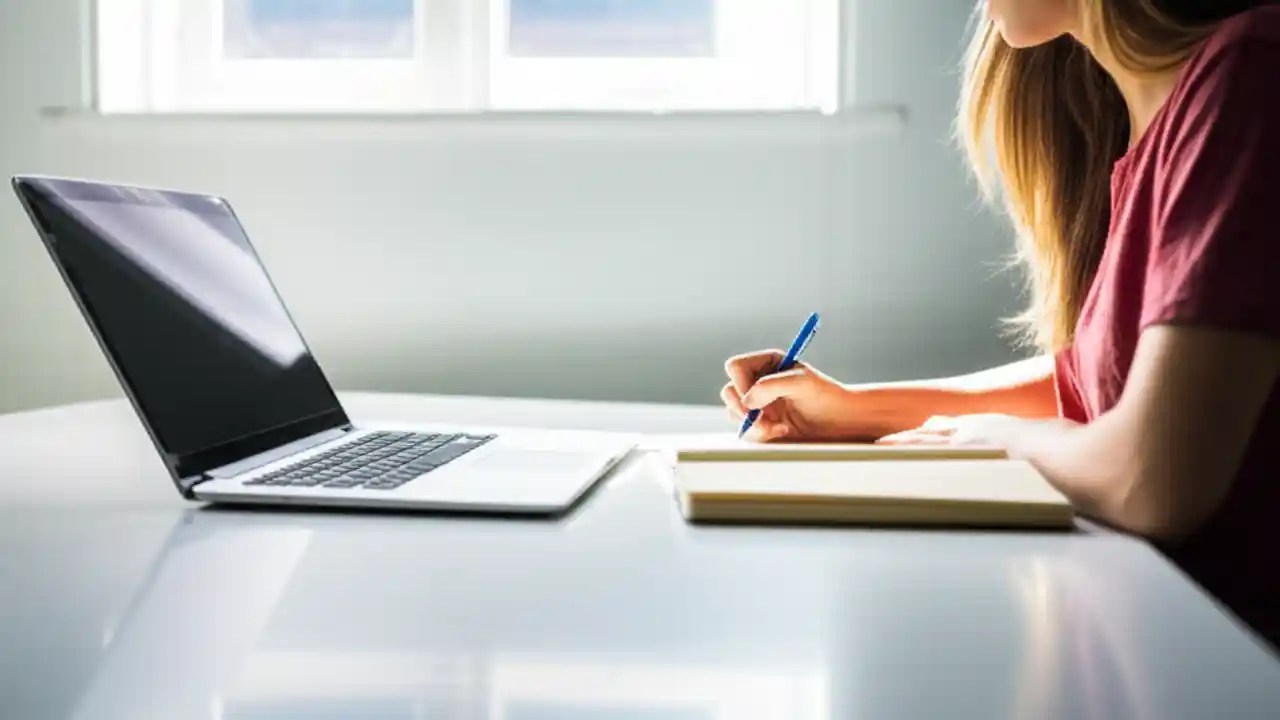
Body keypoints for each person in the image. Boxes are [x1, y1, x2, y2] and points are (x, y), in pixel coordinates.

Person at [721, 0, 1280, 651]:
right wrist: (852, 410)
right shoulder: (1167, 118)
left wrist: (1004, 441)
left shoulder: (1252, 73)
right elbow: (1099, 382)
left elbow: (1152, 479)